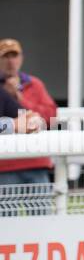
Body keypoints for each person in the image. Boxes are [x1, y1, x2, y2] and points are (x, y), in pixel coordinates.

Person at [0, 39, 57, 187]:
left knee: (41, 209)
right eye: (6, 56)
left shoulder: (34, 84)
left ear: (21, 58)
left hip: (35, 160)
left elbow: (50, 117)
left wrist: (19, 97)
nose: (10, 61)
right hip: (5, 164)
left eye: (14, 56)